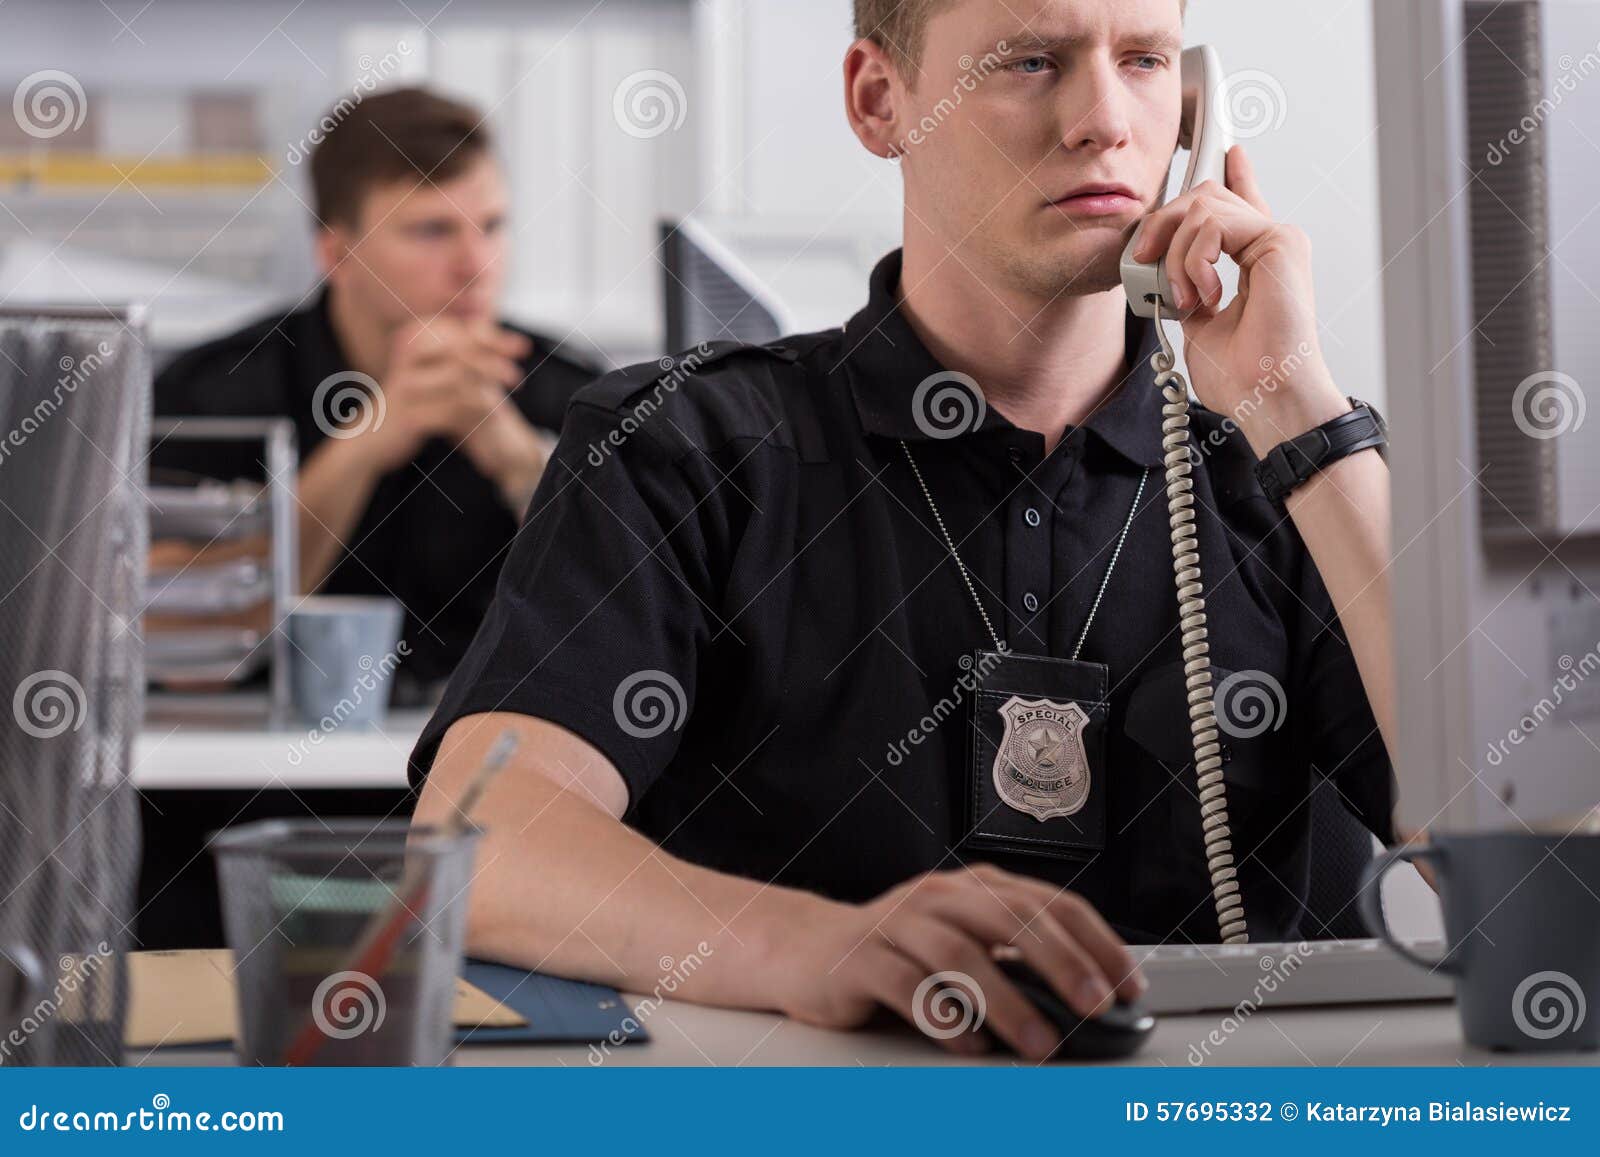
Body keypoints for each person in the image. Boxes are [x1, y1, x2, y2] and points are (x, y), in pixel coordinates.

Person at [409, 0, 1398, 1061]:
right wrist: (813, 946)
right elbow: (478, 840)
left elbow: (1525, 857)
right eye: (1030, 61)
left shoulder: (1296, 480)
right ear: (882, 102)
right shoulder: (686, 447)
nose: (1106, 122)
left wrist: (1296, 417)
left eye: (1145, 60)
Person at [155, 87, 598, 699]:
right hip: (247, 777)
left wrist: (520, 461)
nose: (478, 264)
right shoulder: (218, 393)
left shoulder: (573, 394)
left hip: (498, 770)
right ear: (337, 254)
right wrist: (361, 448)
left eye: (492, 226)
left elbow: (635, 622)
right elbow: (178, 638)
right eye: (432, 231)